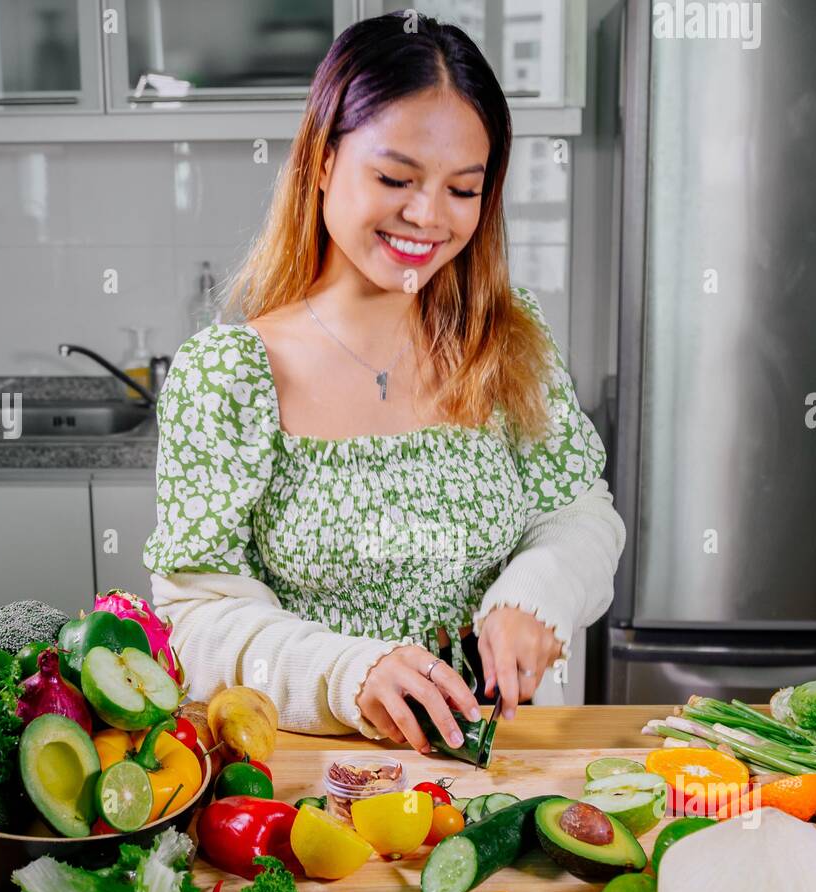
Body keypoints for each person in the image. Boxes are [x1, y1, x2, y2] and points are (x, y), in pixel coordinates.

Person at [145, 12, 625, 755]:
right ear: (324, 161)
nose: (428, 217)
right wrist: (349, 671)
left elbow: (578, 511)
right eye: (396, 177)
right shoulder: (230, 376)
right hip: (314, 780)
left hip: (497, 773)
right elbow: (196, 617)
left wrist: (539, 595)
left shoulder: (505, 337)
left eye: (463, 190)